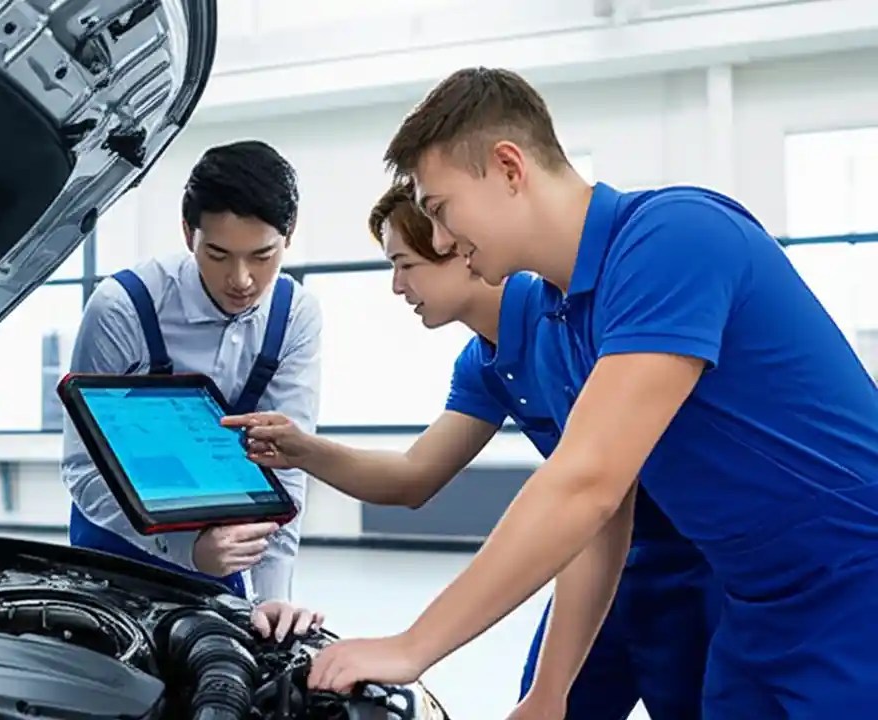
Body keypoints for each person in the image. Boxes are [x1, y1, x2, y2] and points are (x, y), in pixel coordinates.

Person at [300, 66, 878, 717]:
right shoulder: (567, 321)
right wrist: (553, 691)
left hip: (855, 587)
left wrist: (414, 646)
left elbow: (584, 480)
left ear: (509, 168)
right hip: (756, 608)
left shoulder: (672, 236)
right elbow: (602, 517)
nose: (438, 241)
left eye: (439, 210)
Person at [224, 182, 716, 719]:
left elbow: (598, 495)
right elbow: (413, 477)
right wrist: (303, 450)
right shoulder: (482, 362)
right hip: (589, 566)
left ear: (458, 246)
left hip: (690, 570)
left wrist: (420, 647)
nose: (396, 286)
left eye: (405, 264)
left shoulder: (557, 314)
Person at [61, 139, 324, 634]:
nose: (241, 279)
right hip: (116, 547)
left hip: (226, 551)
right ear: (188, 234)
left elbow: (286, 465)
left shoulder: (295, 317)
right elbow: (81, 468)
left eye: (263, 255)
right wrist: (185, 550)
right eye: (218, 254)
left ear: (288, 237)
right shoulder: (121, 308)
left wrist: (272, 597)